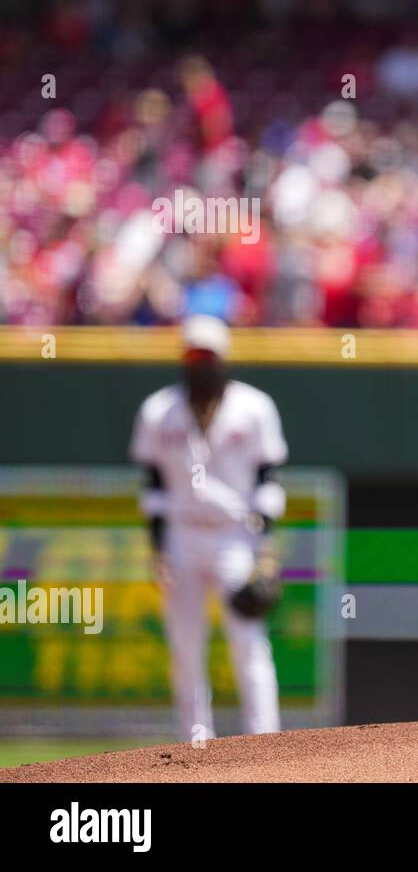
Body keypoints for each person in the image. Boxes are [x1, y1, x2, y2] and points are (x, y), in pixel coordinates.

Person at [129, 315, 287, 742]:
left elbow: (268, 482)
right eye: (194, 355)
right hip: (182, 535)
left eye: (209, 356)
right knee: (185, 648)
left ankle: (265, 743)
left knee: (248, 641)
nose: (201, 364)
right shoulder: (159, 411)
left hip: (234, 536)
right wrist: (159, 549)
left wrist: (265, 547)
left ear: (224, 359)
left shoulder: (254, 408)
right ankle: (196, 744)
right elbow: (155, 489)